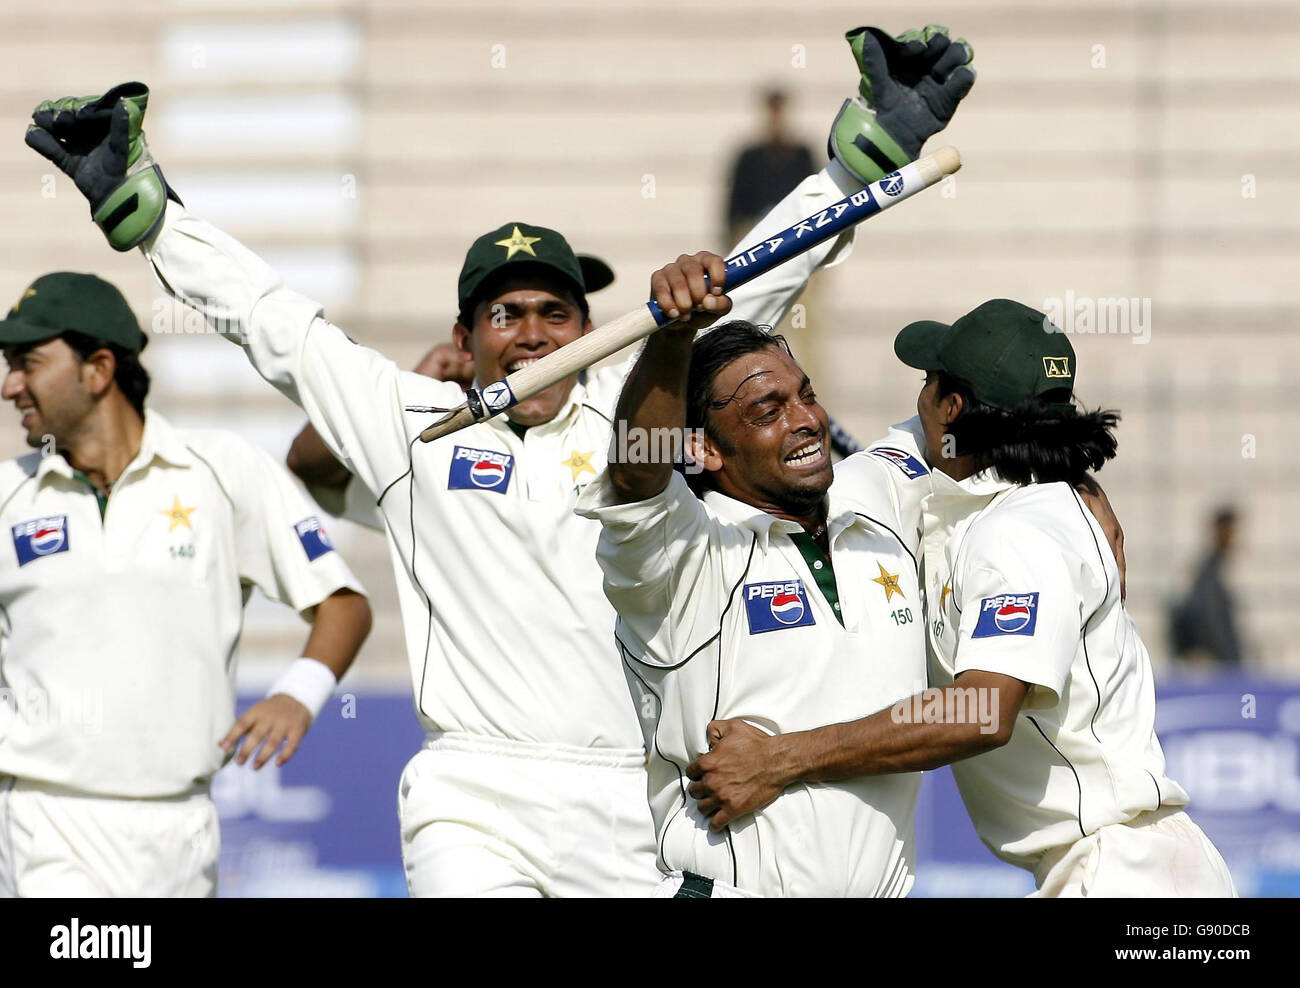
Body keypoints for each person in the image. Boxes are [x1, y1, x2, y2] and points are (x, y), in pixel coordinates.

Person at [25, 24, 976, 896]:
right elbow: (272, 323)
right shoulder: (409, 422)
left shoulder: (626, 409)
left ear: (585, 328)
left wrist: (866, 156)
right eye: (505, 315)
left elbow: (766, 269)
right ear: (466, 335)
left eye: (554, 315)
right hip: (474, 791)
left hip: (632, 799)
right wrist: (144, 212)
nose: (531, 336)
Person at [686, 298, 1236, 897]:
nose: (916, 402)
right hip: (1117, 865)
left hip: (1125, 871)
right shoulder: (993, 503)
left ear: (950, 407)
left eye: (928, 383)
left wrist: (782, 758)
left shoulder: (1020, 530)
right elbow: (914, 451)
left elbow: (980, 713)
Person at [0, 272, 371, 897]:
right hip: (43, 819)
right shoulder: (10, 492)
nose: (10, 386)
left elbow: (342, 604)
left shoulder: (223, 471)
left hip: (184, 829)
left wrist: (296, 695)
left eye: (28, 364)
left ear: (98, 368)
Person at [724, 88, 816, 248]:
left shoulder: (802, 155)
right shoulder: (749, 157)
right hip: (756, 235)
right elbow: (736, 206)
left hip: (796, 234)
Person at [1170, 506, 1242, 666]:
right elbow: (1212, 623)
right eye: (1230, 530)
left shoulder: (1218, 567)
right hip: (1221, 666)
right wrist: (1230, 662)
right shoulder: (1209, 571)